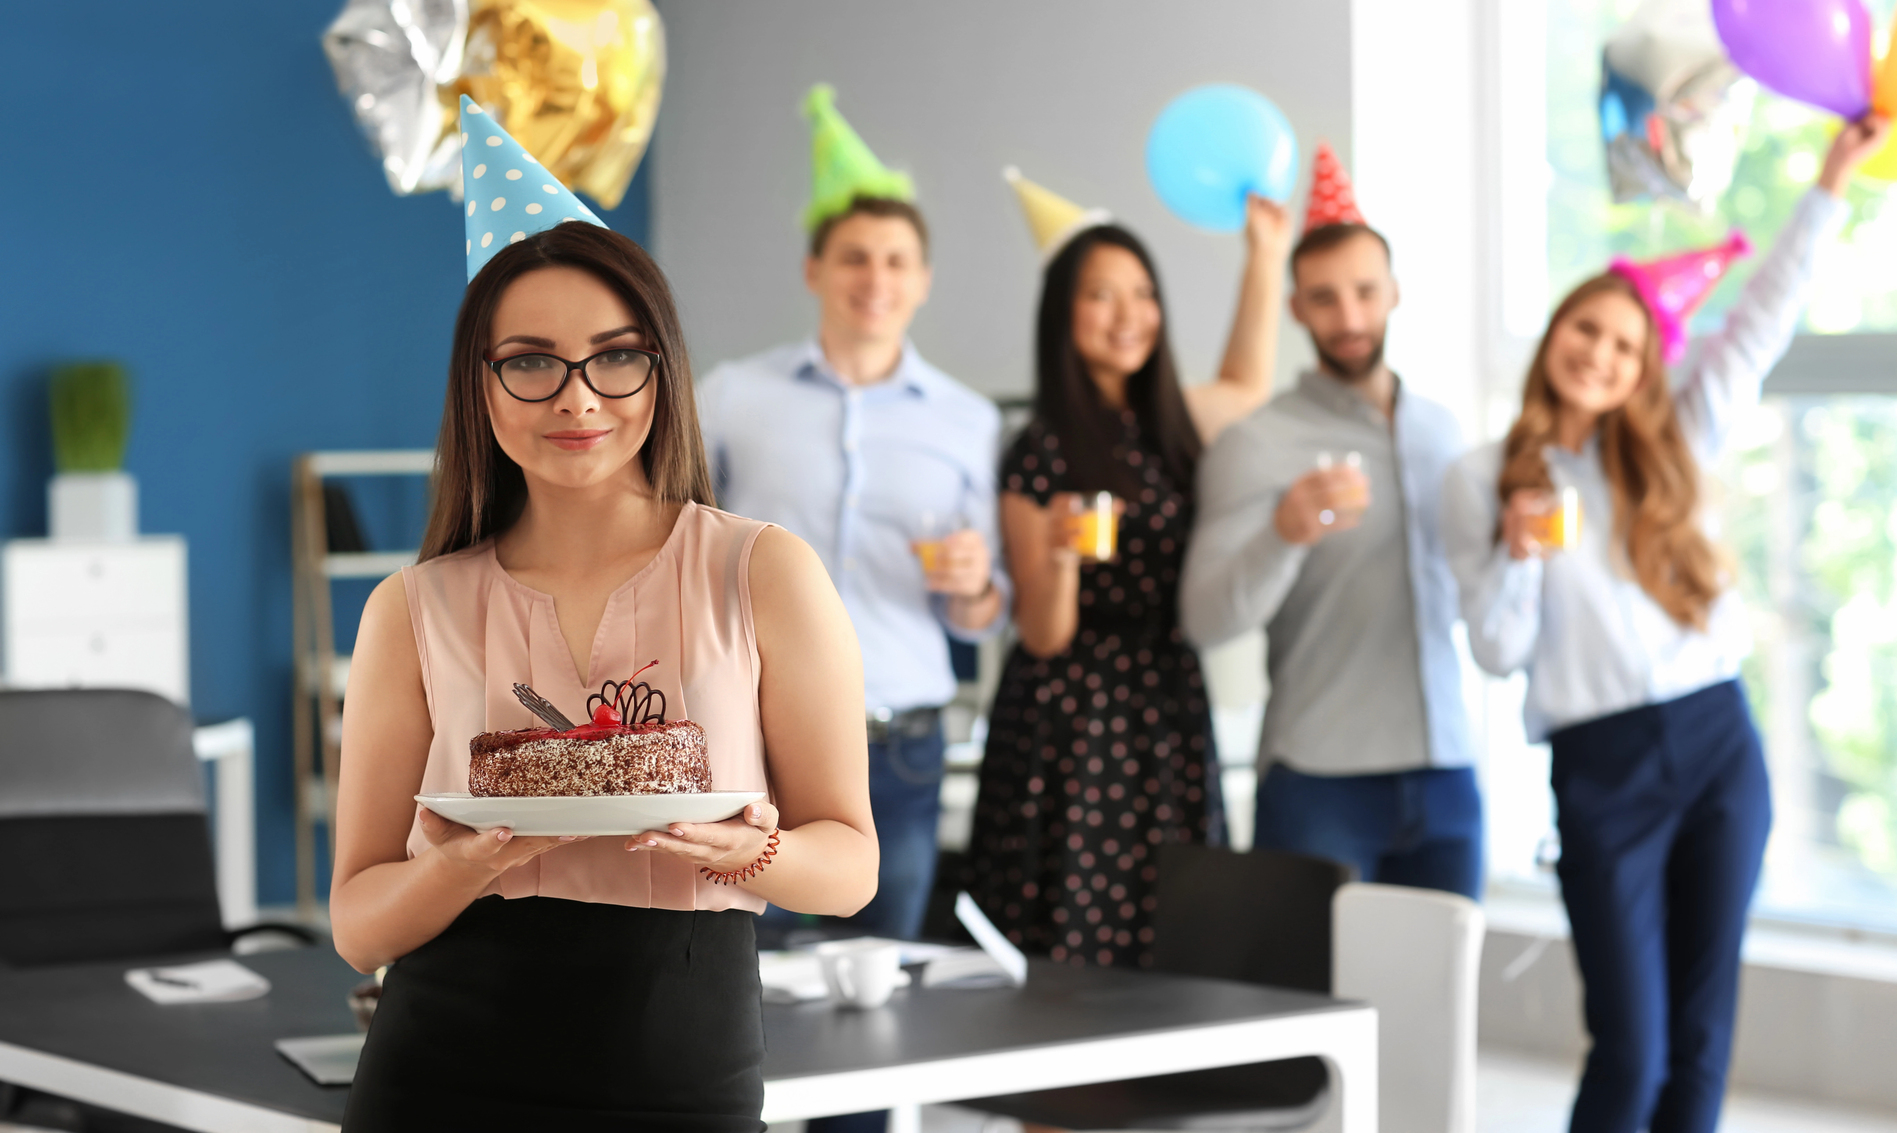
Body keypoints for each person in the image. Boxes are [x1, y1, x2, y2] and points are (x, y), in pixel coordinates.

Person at [333, 100, 876, 1132]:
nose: (577, 398)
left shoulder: (762, 571)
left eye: (615, 356)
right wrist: (451, 868)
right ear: (479, 386)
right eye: (530, 361)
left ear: (660, 367)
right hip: (441, 1072)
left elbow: (849, 865)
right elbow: (358, 926)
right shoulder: (412, 609)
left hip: (681, 1070)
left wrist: (747, 852)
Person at [1440, 116, 1889, 1133]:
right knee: (1628, 1045)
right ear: (1551, 334)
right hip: (1598, 768)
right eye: (1583, 330)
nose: (1597, 354)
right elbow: (1497, 651)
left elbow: (1764, 315)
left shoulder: (1673, 439)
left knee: (1698, 1041)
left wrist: (1827, 178)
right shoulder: (1478, 478)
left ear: (1647, 366)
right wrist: (1515, 554)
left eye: (1623, 344)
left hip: (1714, 739)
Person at [700, 85, 1007, 952]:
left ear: (923, 280)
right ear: (815, 271)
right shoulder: (732, 395)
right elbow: (671, 543)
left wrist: (975, 583)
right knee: (739, 981)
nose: (876, 279)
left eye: (896, 260)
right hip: (749, 736)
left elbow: (985, 611)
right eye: (855, 257)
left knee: (876, 1001)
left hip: (899, 747)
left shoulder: (969, 420)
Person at [965, 167, 1287, 967]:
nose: (1128, 315)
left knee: (1171, 927)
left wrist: (1266, 256)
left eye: (1142, 293)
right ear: (1063, 312)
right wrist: (1064, 557)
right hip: (1066, 719)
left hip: (1167, 699)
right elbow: (1042, 634)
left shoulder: (1177, 419)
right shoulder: (1036, 451)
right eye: (1101, 294)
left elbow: (1247, 383)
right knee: (1068, 930)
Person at [1180, 142, 1476, 897]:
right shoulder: (1257, 442)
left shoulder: (1444, 433)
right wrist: (1284, 531)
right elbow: (1204, 621)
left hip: (1448, 775)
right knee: (1314, 1008)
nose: (1348, 316)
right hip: (1319, 781)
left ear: (1395, 293)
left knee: (1440, 1009)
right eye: (1324, 297)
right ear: (1295, 308)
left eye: (1365, 292)